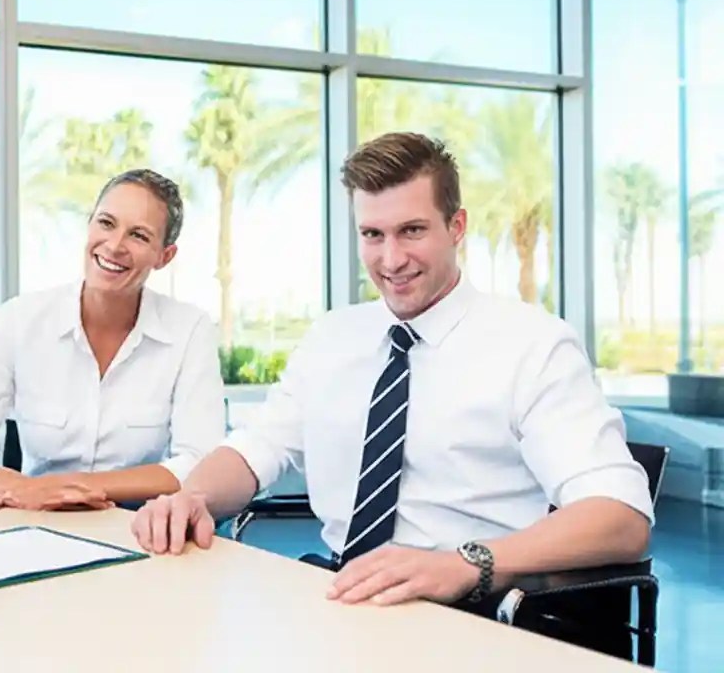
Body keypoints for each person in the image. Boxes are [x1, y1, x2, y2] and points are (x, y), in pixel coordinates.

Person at [131, 133, 653, 614]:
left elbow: (621, 516)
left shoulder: (533, 345)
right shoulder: (332, 339)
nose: (391, 258)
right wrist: (192, 497)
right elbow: (257, 449)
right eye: (373, 234)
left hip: (469, 608)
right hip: (342, 596)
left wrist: (466, 564)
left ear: (457, 227)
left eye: (412, 231)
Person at [0, 169, 226, 511]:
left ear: (164, 256)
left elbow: (198, 462)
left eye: (139, 236)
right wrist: (9, 485)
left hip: (140, 525)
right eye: (106, 223)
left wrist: (72, 488)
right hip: (33, 519)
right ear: (89, 226)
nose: (115, 245)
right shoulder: (18, 320)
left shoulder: (190, 329)